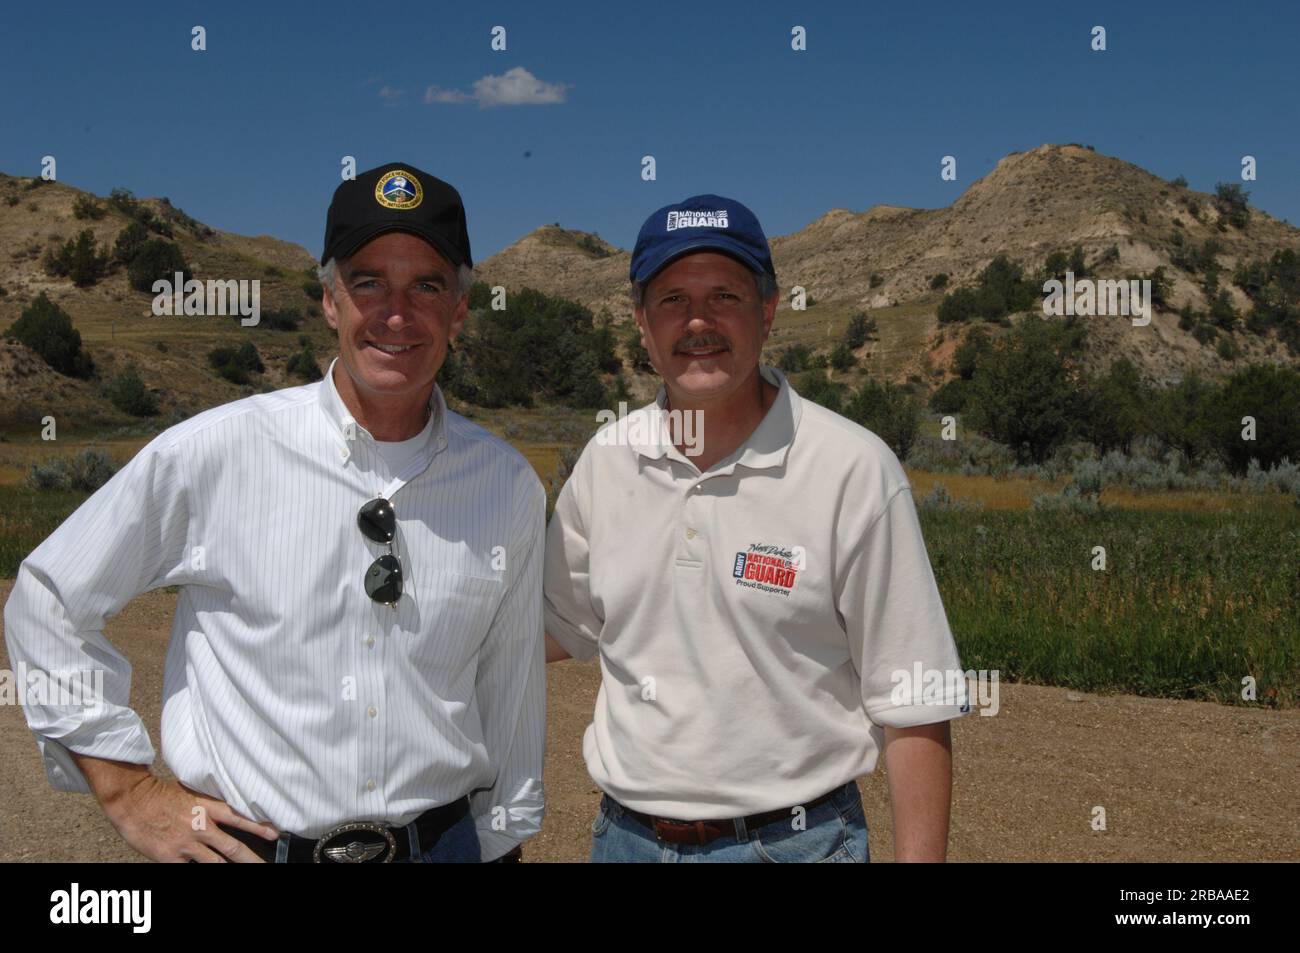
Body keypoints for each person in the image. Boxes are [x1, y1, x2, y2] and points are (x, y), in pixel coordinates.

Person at [3, 163, 545, 863]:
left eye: (427, 285)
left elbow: (510, 692)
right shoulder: (216, 453)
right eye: (369, 281)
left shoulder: (505, 483)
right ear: (329, 300)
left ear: (460, 309)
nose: (397, 312)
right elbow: (46, 598)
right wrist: (128, 792)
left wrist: (497, 842)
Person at [543, 194, 969, 863]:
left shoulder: (852, 469)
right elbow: (553, 628)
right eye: (673, 300)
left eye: (725, 297)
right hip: (624, 841)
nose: (698, 322)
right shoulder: (607, 461)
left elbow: (912, 699)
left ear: (767, 311)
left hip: (794, 845)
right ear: (642, 324)